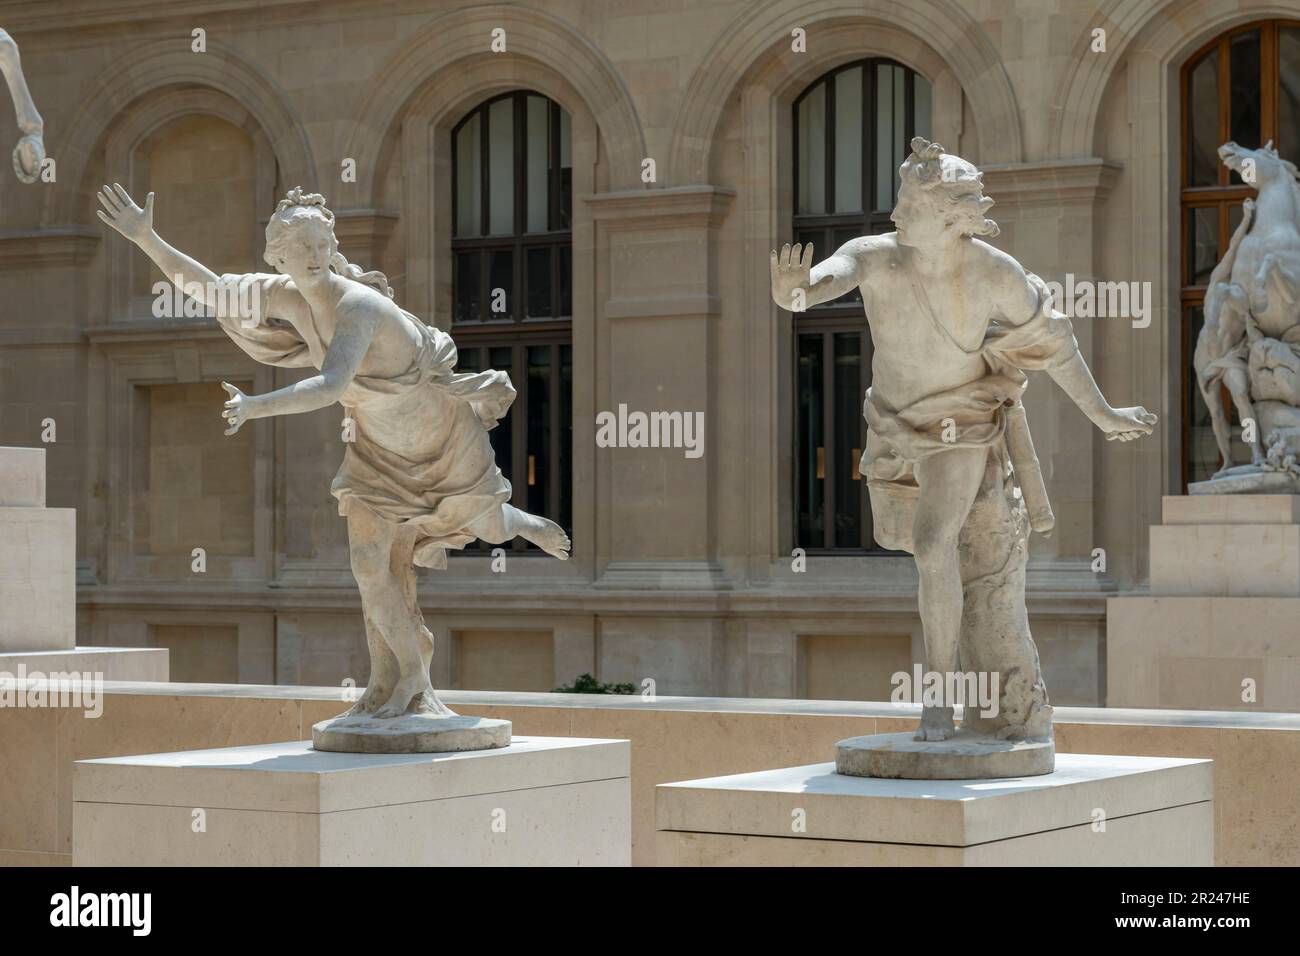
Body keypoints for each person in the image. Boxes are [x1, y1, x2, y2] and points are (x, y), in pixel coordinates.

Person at [97, 183, 569, 720]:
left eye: (323, 244)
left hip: (441, 438)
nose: (317, 256)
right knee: (370, 568)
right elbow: (211, 290)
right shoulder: (288, 299)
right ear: (279, 256)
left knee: (485, 527)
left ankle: (522, 522)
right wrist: (146, 238)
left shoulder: (358, 307)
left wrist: (257, 406)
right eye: (302, 248)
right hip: (376, 448)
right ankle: (403, 677)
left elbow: (328, 385)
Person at [771, 138, 1156, 742]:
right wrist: (791, 287)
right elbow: (810, 290)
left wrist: (1103, 413)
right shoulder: (871, 255)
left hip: (964, 427)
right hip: (893, 425)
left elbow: (1056, 345)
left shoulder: (992, 271)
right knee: (901, 537)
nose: (895, 213)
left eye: (908, 202)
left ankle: (940, 698)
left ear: (950, 216)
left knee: (932, 544)